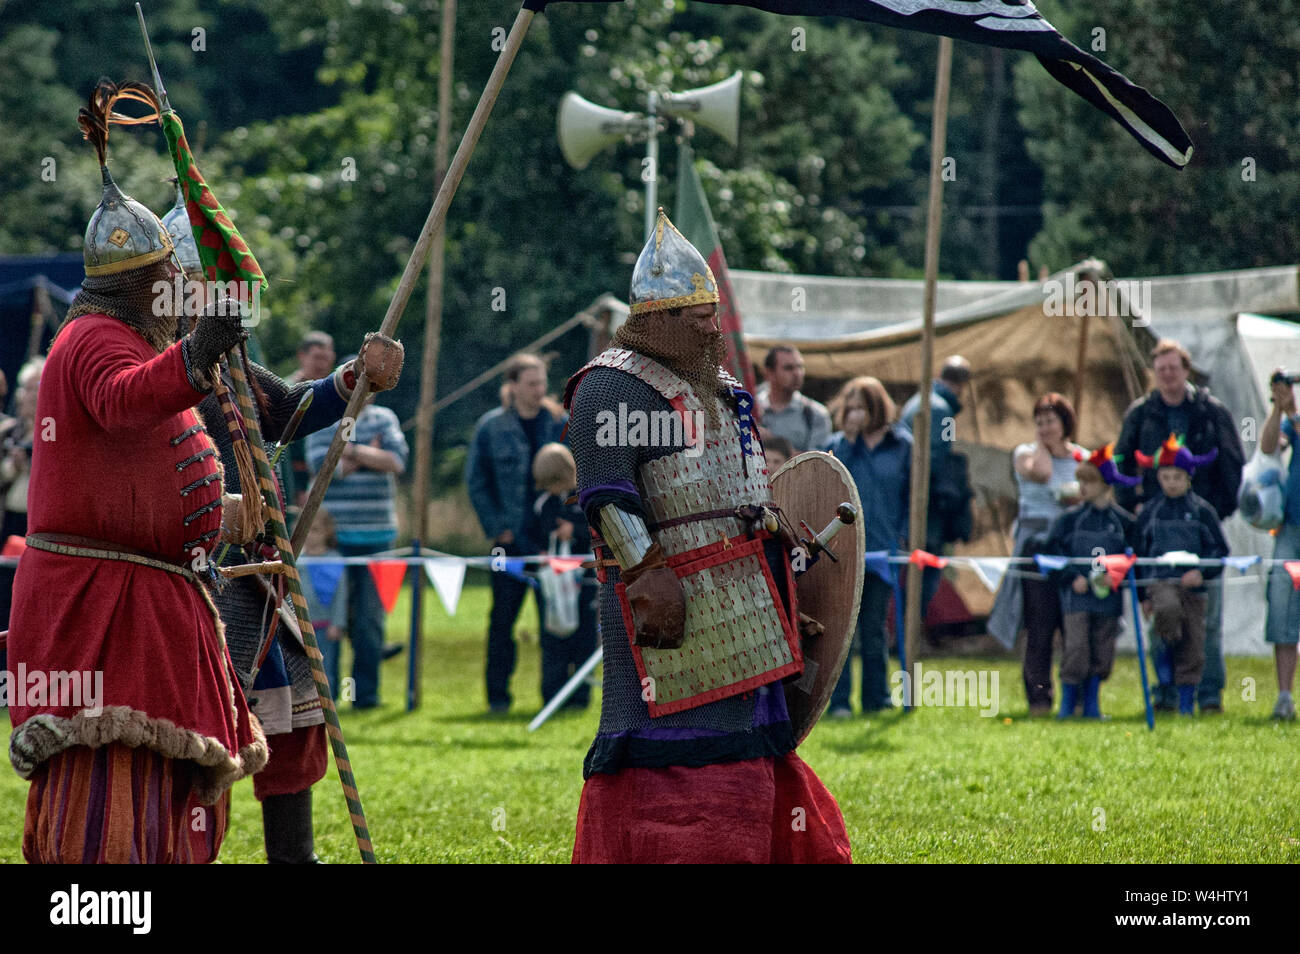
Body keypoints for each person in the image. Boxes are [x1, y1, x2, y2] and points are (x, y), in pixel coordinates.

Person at [9, 79, 265, 863]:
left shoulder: (131, 340)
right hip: (100, 606)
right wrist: (199, 350)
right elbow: (123, 406)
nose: (177, 292)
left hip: (147, 599)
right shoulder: (92, 338)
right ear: (140, 282)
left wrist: (220, 513)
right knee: (107, 797)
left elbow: (145, 470)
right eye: (166, 279)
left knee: (160, 789)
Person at [563, 209, 850, 863]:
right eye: (695, 315)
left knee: (750, 750)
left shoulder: (720, 388)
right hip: (668, 600)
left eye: (711, 312)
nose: (709, 326)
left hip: (745, 605)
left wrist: (783, 596)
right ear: (657, 317)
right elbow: (607, 494)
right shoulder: (612, 385)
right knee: (677, 750)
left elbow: (751, 498)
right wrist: (647, 573)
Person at [162, 187, 405, 862]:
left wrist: (356, 377)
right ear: (174, 282)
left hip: (254, 577)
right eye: (211, 283)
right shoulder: (149, 362)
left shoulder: (230, 359)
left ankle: (291, 859)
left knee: (291, 722)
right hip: (186, 577)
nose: (224, 296)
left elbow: (288, 414)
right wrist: (218, 515)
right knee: (196, 733)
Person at [1114, 338, 1244, 713]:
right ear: (1154, 373)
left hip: (1200, 529)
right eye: (1161, 369)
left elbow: (1231, 463)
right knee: (1162, 614)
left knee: (1207, 619)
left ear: (1186, 370)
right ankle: (1167, 692)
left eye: (1174, 368)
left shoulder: (1209, 411)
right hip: (1157, 533)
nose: (1168, 375)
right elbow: (1122, 462)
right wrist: (1135, 507)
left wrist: (1213, 509)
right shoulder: (1141, 414)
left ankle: (1208, 695)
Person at [465, 353, 567, 713]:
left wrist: (568, 520)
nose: (539, 389)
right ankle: (497, 698)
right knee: (501, 622)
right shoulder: (491, 427)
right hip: (506, 546)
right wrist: (499, 529)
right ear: (513, 385)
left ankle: (557, 697)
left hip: (551, 541)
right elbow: (476, 483)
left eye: (542, 382)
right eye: (531, 383)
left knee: (556, 621)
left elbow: (577, 476)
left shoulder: (560, 424)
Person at [306, 395, 409, 710]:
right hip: (332, 539)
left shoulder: (385, 417)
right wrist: (372, 453)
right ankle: (328, 695)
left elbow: (398, 462)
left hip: (377, 537)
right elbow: (320, 466)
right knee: (329, 622)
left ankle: (364, 696)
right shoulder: (325, 416)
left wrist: (349, 451)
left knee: (369, 619)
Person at [988, 393, 1087, 715]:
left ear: (1065, 422)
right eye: (1040, 422)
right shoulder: (1025, 454)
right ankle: (1040, 699)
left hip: (1071, 549)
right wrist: (1046, 446)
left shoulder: (1082, 459)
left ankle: (1078, 698)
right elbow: (1042, 474)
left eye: (1051, 421)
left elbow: (1092, 494)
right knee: (1040, 627)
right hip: (1037, 550)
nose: (1044, 427)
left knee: (1075, 624)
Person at [825, 376, 911, 717]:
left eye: (862, 408)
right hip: (843, 549)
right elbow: (828, 483)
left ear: (877, 408)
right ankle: (840, 701)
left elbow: (913, 497)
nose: (856, 415)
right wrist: (847, 440)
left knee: (875, 627)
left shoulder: (903, 445)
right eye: (851, 409)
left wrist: (905, 535)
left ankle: (877, 699)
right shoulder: (837, 443)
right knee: (842, 629)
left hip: (884, 547)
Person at [1041, 444, 1139, 720]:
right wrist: (1073, 577)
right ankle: (1068, 706)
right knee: (1076, 650)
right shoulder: (1069, 520)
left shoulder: (1123, 522)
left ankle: (1092, 706)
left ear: (1106, 484)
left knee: (1102, 652)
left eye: (1089, 481)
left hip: (1108, 603)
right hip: (1076, 602)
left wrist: (1115, 576)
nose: (1082, 486)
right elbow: (1053, 555)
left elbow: (1134, 557)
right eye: (1080, 480)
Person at [1134, 435, 1229, 716]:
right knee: (1167, 611)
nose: (1171, 482)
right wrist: (1143, 597)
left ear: (1189, 477)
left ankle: (1186, 702)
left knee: (1194, 643)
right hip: (1160, 582)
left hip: (1195, 589)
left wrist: (1201, 572)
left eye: (1177, 476)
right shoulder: (1150, 512)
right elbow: (1138, 554)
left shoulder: (1202, 511)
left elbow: (1219, 550)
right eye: (1166, 476)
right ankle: (1164, 674)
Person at [525, 443, 598, 709]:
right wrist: (540, 551)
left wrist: (575, 530)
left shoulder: (585, 499)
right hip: (552, 584)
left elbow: (597, 529)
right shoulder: (541, 504)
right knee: (553, 639)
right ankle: (552, 696)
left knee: (584, 638)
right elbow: (529, 534)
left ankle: (580, 697)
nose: (552, 489)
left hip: (584, 581)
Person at [899, 355, 973, 616]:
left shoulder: (918, 402)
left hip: (914, 498)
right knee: (926, 566)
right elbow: (935, 459)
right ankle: (912, 629)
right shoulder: (942, 411)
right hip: (928, 503)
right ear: (961, 385)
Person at [1261, 370, 1300, 720]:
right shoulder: (1292, 419)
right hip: (1291, 526)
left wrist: (1292, 412)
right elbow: (1269, 447)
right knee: (1283, 609)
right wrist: (1278, 408)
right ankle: (1284, 696)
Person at [0, 357, 42, 635]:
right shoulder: (10, 429)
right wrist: (13, 465)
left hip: (34, 522)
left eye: (28, 389)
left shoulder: (50, 430)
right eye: (21, 388)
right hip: (9, 519)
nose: (21, 395)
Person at [301, 510, 350, 702]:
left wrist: (337, 623)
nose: (311, 536)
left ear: (327, 532)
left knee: (327, 668)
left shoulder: (336, 561)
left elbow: (341, 595)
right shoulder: (297, 561)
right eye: (307, 530)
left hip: (326, 627)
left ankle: (330, 703)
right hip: (302, 627)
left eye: (316, 530)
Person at [756, 346, 832, 453]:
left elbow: (818, 464)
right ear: (769, 373)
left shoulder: (815, 414)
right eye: (788, 368)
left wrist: (774, 443)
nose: (797, 374)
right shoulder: (750, 408)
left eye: (800, 367)